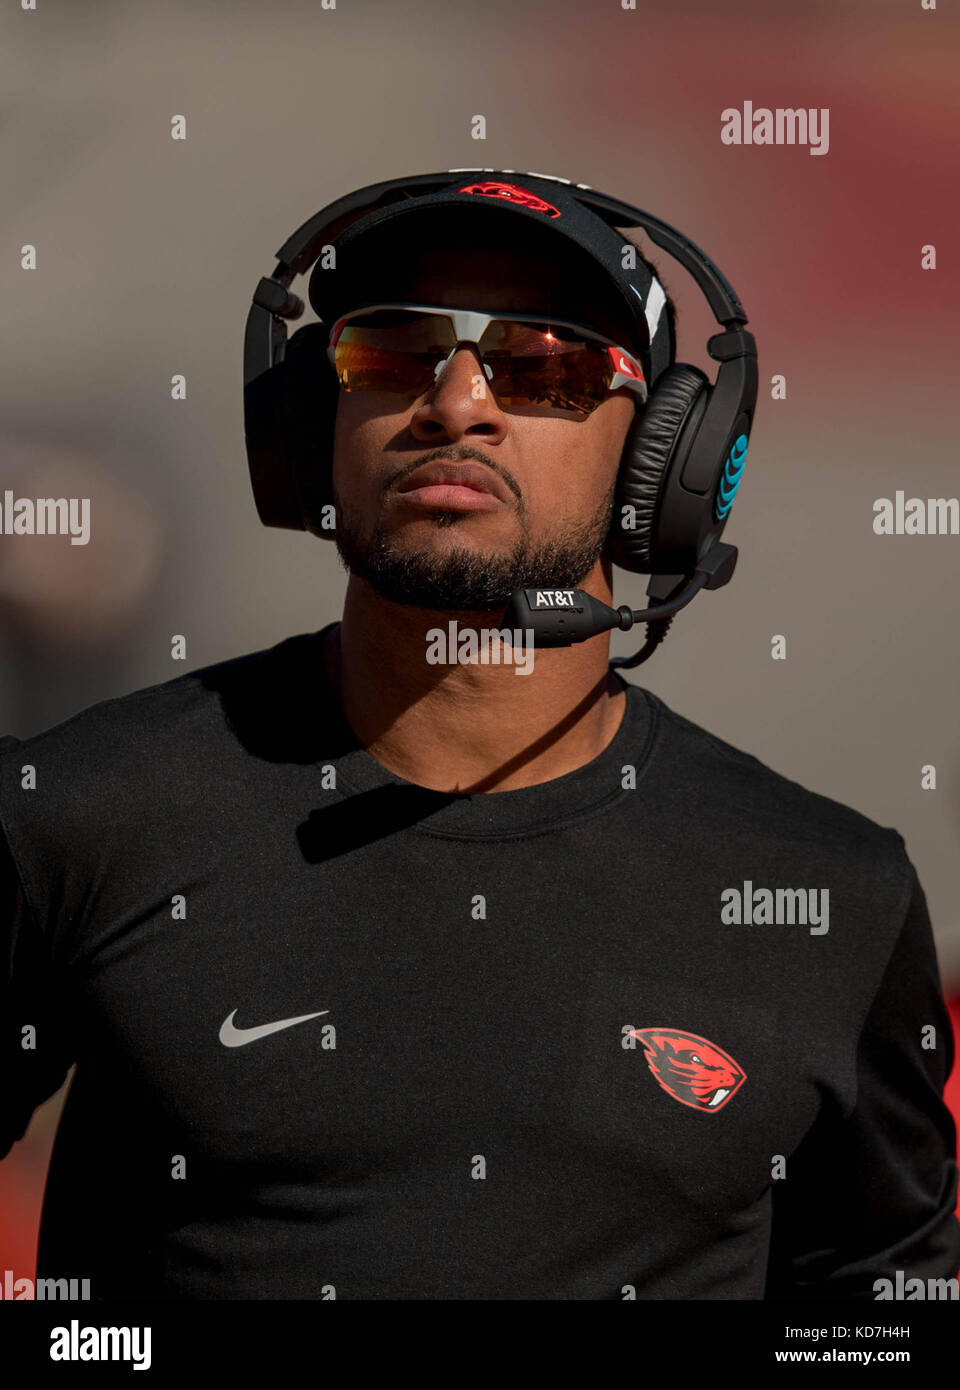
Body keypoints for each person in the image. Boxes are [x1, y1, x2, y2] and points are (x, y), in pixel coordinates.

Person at [2, 173, 958, 1301]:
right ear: (310, 425)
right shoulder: (79, 810)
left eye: (542, 362)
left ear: (668, 461)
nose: (457, 404)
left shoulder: (828, 894)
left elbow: (886, 1293)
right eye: (396, 354)